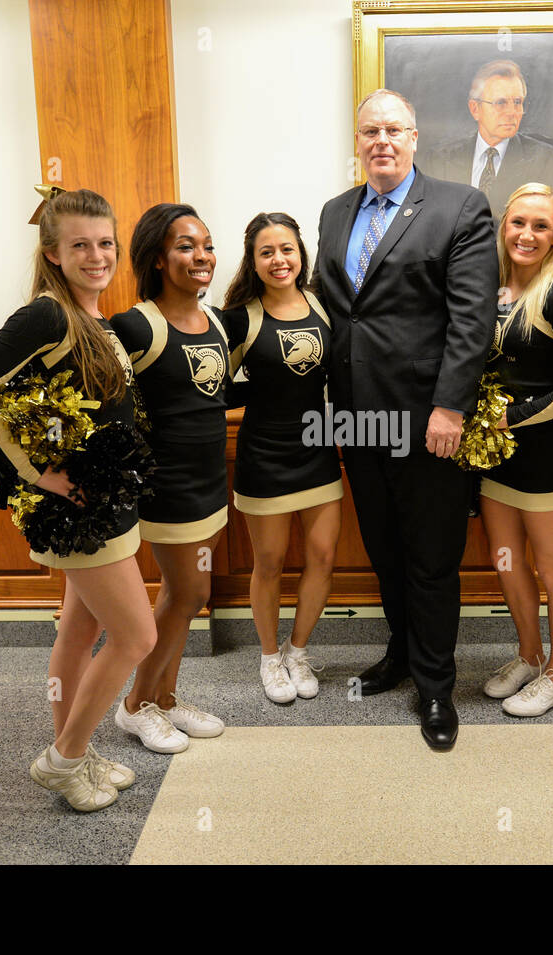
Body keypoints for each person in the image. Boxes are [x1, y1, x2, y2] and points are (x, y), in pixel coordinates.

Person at [0, 187, 157, 812]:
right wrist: (37, 472)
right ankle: (62, 760)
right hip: (78, 510)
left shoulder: (91, 316)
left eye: (106, 243)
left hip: (104, 497)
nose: (97, 255)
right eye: (80, 246)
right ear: (53, 253)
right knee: (136, 638)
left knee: (78, 630)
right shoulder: (46, 315)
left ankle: (77, 747)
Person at [314, 89, 496, 750]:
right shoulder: (335, 212)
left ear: (415, 138)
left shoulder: (459, 206)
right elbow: (337, 313)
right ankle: (400, 653)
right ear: (357, 141)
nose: (381, 140)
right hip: (358, 423)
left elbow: (471, 319)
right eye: (370, 130)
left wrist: (450, 406)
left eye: (394, 129)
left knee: (430, 558)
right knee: (386, 551)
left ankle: (437, 686)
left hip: (428, 422)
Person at [101, 202, 230, 754]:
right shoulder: (134, 325)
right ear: (157, 258)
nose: (200, 256)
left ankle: (166, 698)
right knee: (188, 592)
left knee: (186, 595)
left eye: (205, 245)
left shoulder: (218, 319)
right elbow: (103, 405)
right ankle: (135, 706)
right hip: (167, 486)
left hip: (211, 482)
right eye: (185, 246)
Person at [477, 183, 553, 717]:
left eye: (541, 227)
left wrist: (516, 418)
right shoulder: (486, 288)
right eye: (519, 223)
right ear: (504, 225)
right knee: (507, 564)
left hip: (547, 457)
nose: (527, 234)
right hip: (496, 458)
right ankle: (529, 655)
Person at [221, 212, 342, 704]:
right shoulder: (239, 317)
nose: (279, 260)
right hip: (265, 456)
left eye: (287, 249)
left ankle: (298, 651)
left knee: (323, 557)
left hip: (318, 449)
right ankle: (270, 657)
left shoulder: (323, 303)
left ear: (301, 253)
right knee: (269, 563)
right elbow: (214, 388)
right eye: (267, 252)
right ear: (253, 260)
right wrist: (261, 386)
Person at [423, 60, 553, 218]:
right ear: (475, 109)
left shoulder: (544, 159)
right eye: (501, 103)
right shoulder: (441, 159)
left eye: (518, 102)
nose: (512, 112)